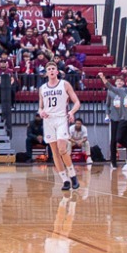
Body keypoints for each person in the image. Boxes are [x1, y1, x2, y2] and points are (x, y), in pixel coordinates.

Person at [36, 61, 82, 191]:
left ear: (57, 72)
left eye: (53, 68)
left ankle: (72, 175)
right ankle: (65, 180)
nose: (51, 70)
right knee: (55, 152)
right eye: (49, 69)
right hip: (49, 121)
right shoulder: (42, 88)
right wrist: (41, 112)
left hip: (61, 119)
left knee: (62, 149)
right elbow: (40, 107)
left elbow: (77, 102)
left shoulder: (64, 84)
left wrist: (72, 112)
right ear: (46, 73)